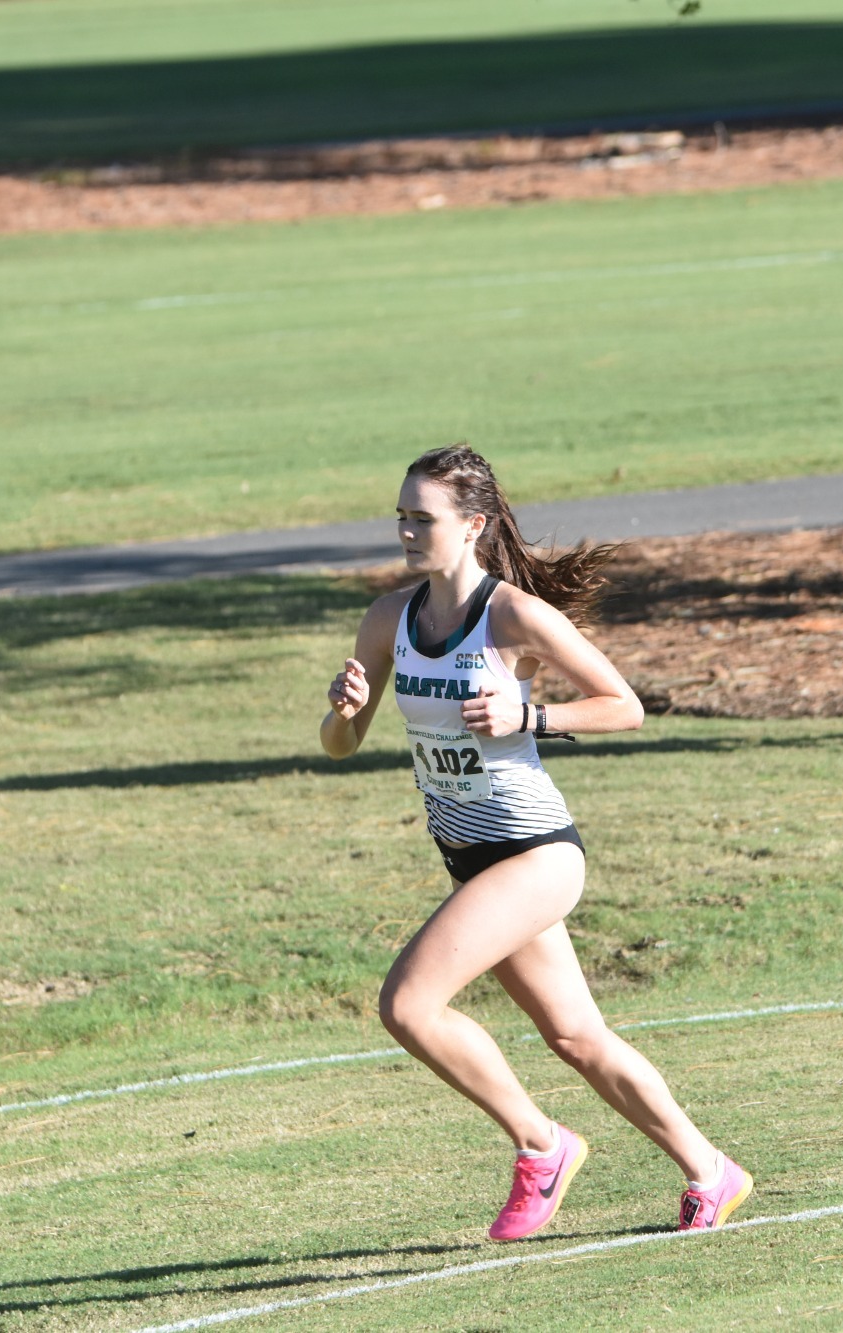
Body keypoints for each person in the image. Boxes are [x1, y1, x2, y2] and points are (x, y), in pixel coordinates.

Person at [320, 444, 753, 1240]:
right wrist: (344, 711)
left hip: (536, 850)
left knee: (409, 1004)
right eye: (402, 516)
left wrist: (531, 717)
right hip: (471, 858)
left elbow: (624, 705)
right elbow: (340, 745)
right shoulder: (389, 618)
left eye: (425, 518)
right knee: (577, 1037)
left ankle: (541, 1143)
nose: (409, 531)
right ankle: (710, 1168)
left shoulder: (511, 614)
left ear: (473, 524)